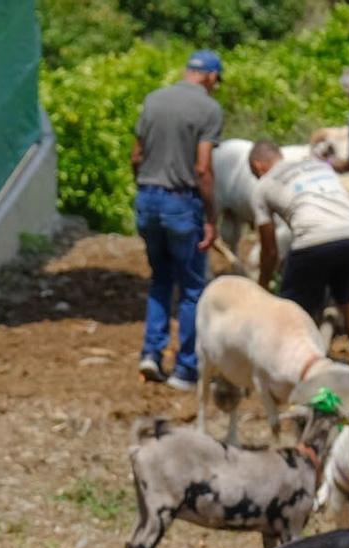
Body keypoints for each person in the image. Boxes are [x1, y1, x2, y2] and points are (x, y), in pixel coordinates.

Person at [132, 50, 224, 391]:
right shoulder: (209, 109)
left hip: (148, 197)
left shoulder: (153, 100)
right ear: (211, 77)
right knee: (190, 288)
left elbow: (136, 155)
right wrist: (211, 215)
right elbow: (202, 168)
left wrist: (143, 189)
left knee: (160, 280)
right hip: (181, 203)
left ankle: (151, 354)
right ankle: (185, 369)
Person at [248, 140, 349, 368]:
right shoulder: (318, 166)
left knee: (292, 308)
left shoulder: (263, 185)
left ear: (258, 166)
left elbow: (269, 250)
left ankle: (292, 366)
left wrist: (262, 288)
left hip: (314, 238)